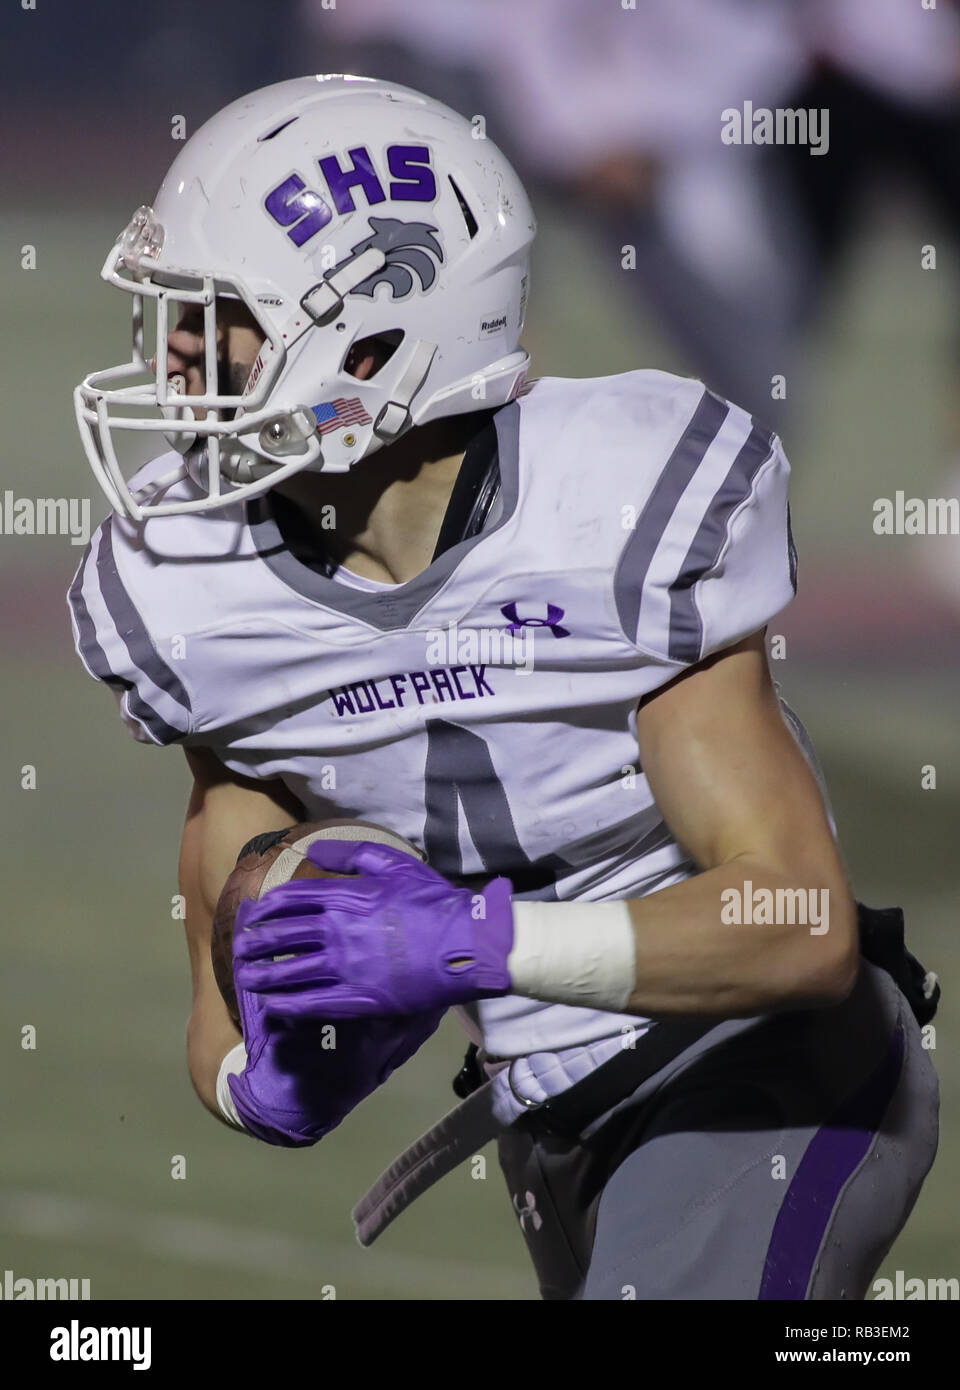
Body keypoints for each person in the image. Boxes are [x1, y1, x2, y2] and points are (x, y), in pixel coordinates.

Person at [68, 75, 938, 1300]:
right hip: (547, 1119)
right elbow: (235, 859)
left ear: (374, 341)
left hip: (757, 1068)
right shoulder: (183, 579)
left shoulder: (618, 503)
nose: (180, 357)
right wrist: (252, 1080)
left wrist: (472, 942)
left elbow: (798, 927)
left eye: (222, 317)